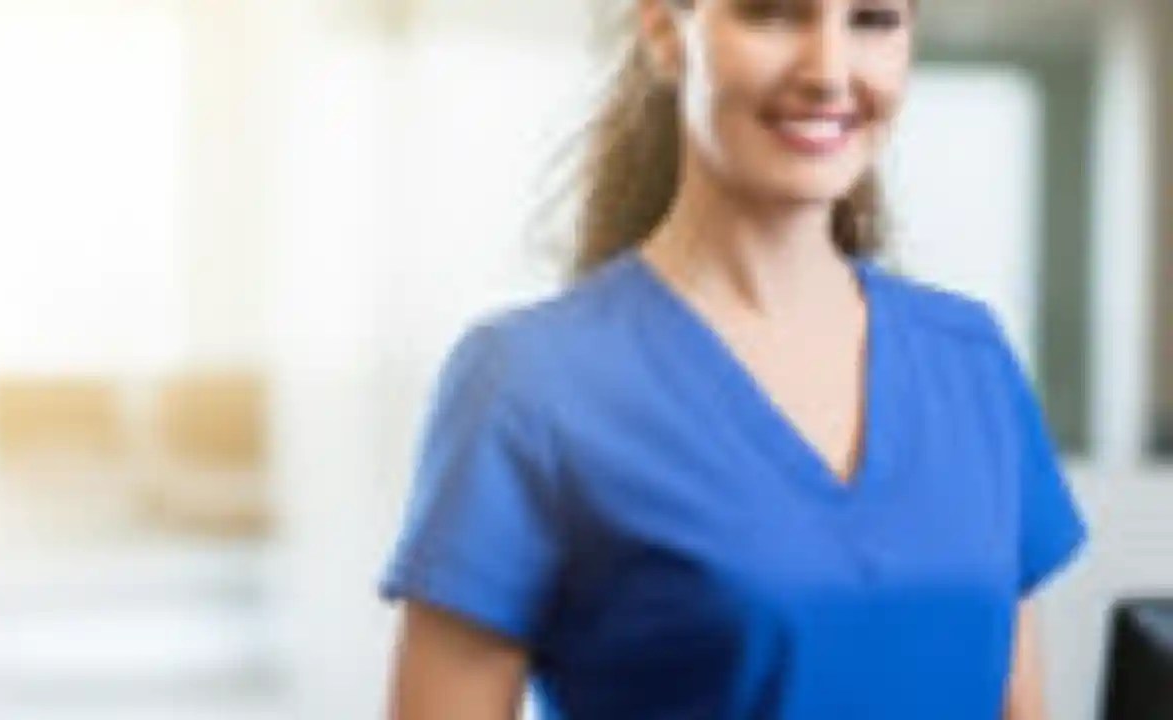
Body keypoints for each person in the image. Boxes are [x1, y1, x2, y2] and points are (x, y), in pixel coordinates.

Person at [378, 0, 1090, 717]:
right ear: (664, 32)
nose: (829, 71)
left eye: (872, 20)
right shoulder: (529, 385)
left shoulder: (971, 362)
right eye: (774, 14)